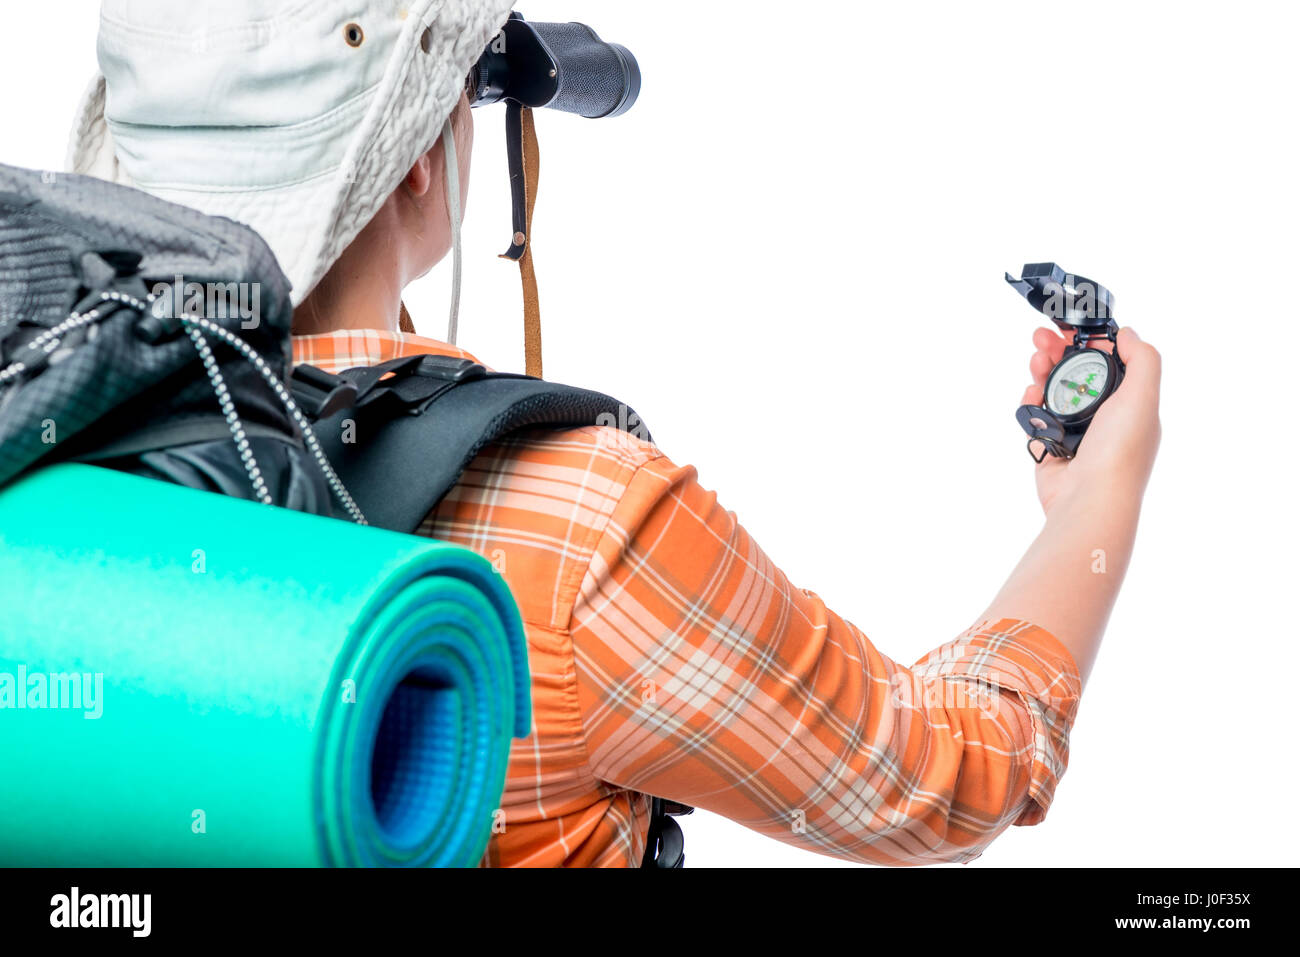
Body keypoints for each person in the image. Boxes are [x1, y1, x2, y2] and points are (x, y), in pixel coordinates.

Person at [68, 1, 1160, 866]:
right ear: (415, 156)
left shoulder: (48, 448)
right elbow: (941, 784)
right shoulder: (578, 521)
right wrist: (1097, 494)